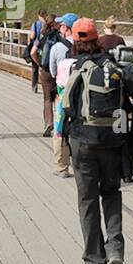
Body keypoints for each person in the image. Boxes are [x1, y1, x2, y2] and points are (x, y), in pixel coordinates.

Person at [61, 18, 126, 264]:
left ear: (76, 41)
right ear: (97, 38)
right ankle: (115, 249)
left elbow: (66, 106)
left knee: (88, 202)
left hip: (83, 142)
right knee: (111, 193)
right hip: (112, 141)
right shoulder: (112, 65)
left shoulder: (75, 67)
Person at [50, 25, 78, 178]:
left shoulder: (63, 63)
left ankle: (62, 167)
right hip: (80, 102)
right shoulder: (84, 65)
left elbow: (53, 73)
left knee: (60, 130)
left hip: (63, 100)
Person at [32, 14, 63, 136]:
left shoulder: (42, 36)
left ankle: (48, 122)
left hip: (45, 70)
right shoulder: (60, 37)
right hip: (60, 69)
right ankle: (59, 123)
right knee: (59, 96)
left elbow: (33, 52)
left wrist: (39, 64)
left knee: (47, 98)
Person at [26, 10, 48, 94]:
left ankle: (34, 87)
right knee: (45, 68)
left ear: (38, 15)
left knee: (35, 68)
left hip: (36, 48)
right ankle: (45, 86)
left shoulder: (35, 24)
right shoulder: (47, 24)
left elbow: (32, 36)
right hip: (45, 48)